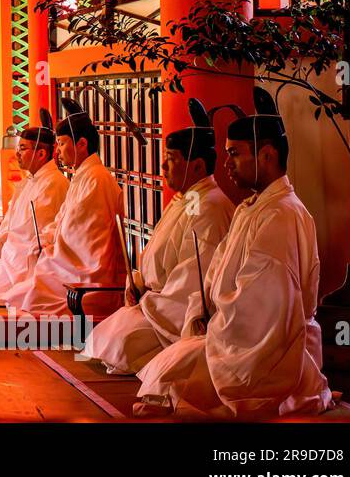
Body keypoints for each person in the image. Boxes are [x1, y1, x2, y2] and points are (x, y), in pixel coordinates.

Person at [135, 88, 333, 418]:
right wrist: (202, 308)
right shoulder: (253, 208)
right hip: (230, 326)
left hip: (270, 348)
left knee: (176, 384)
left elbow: (264, 304)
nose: (226, 163)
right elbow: (215, 271)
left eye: (235, 153)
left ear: (267, 156)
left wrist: (216, 320)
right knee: (164, 374)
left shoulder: (281, 215)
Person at [80, 99, 233, 374]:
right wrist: (136, 281)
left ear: (197, 166)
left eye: (171, 159)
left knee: (123, 343)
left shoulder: (210, 207)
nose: (163, 166)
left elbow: (194, 279)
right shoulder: (186, 199)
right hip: (154, 300)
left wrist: (150, 299)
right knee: (104, 339)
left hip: (175, 312)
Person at [18, 98, 126, 316]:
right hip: (69, 259)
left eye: (63, 143)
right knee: (28, 291)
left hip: (88, 272)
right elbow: (63, 219)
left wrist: (52, 248)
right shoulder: (83, 175)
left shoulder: (97, 179)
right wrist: (47, 239)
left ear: (82, 144)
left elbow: (83, 234)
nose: (57, 151)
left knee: (33, 294)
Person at [0, 109, 68, 307]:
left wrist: (10, 250)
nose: (17, 153)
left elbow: (37, 232)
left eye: (22, 148)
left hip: (29, 260)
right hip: (13, 255)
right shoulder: (31, 180)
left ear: (41, 153)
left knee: (8, 293)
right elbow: (12, 221)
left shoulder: (54, 183)